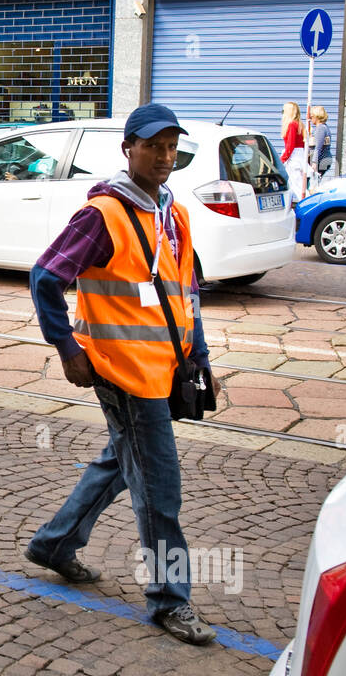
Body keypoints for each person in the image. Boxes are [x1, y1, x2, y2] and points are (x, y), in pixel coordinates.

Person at [24, 102, 219, 646]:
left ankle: (55, 543)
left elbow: (186, 293)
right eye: (153, 145)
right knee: (161, 490)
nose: (164, 156)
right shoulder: (104, 215)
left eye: (171, 147)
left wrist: (199, 357)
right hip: (120, 371)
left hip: (162, 368)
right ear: (127, 148)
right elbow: (44, 277)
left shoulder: (171, 212)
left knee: (120, 462)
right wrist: (66, 348)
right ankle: (170, 601)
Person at [280, 101, 308, 201]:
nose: (282, 113)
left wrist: (281, 160)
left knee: (296, 185)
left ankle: (306, 205)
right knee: (298, 185)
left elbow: (290, 145)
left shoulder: (291, 125)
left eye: (283, 111)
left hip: (293, 157)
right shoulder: (300, 125)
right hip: (299, 156)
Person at [308, 105, 332, 185]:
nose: (310, 119)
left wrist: (314, 162)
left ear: (316, 117)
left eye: (312, 116)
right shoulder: (325, 127)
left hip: (321, 160)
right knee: (316, 182)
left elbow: (318, 147)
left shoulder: (320, 128)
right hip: (325, 159)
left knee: (313, 183)